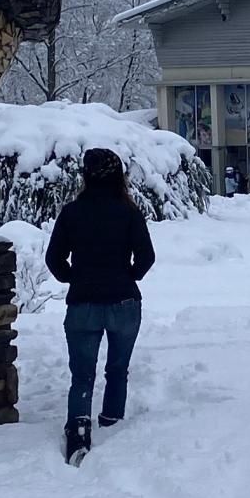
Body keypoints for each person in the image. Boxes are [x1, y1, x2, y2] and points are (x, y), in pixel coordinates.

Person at [45, 148, 156, 465]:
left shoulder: (71, 212)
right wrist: (128, 276)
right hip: (123, 302)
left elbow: (54, 259)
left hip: (83, 303)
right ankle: (111, 421)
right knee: (117, 369)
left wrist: (74, 278)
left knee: (82, 375)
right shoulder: (129, 212)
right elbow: (146, 257)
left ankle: (79, 430)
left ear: (85, 176)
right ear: (119, 176)